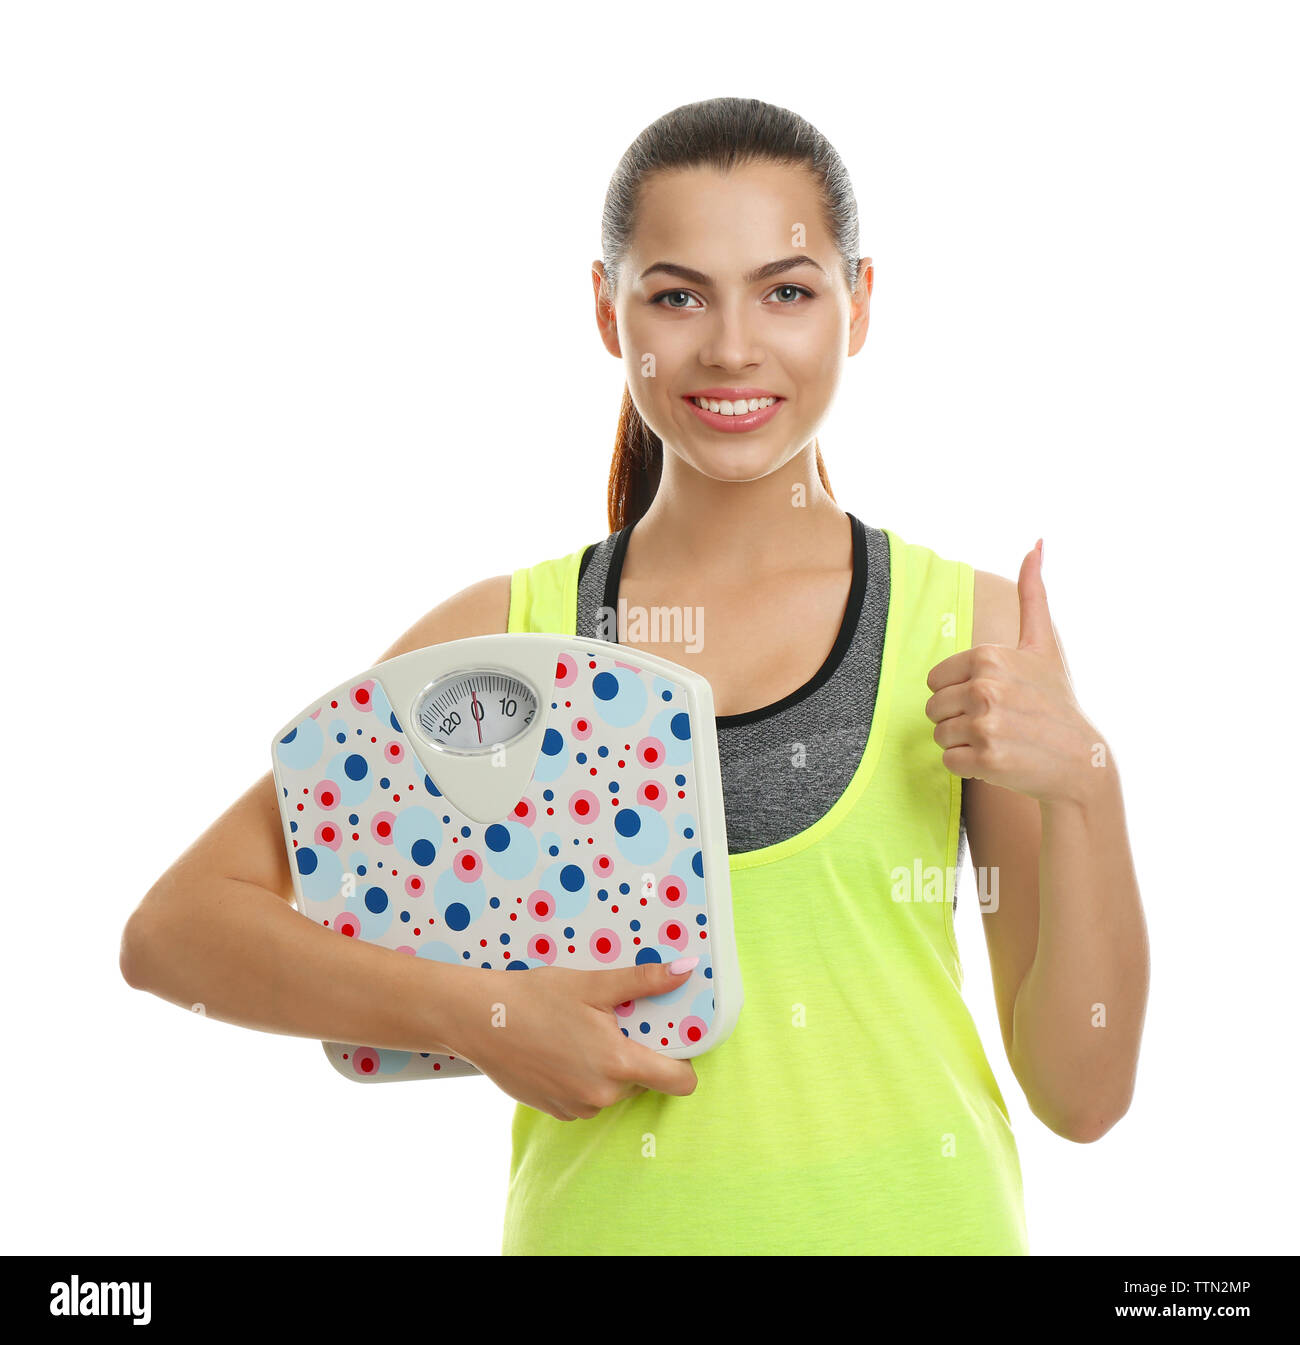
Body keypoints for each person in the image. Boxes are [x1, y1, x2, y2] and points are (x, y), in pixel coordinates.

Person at [121, 96, 1149, 1256]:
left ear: (859, 305)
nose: (730, 347)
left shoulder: (970, 629)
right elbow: (175, 931)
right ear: (606, 313)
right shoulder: (498, 646)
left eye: (787, 289)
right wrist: (491, 1016)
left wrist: (1087, 786)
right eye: (676, 293)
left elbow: (1083, 1094)